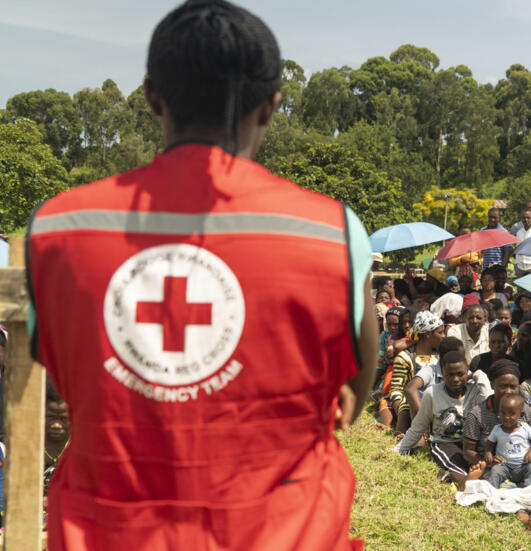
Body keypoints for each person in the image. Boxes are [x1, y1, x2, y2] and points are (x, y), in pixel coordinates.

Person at [26, 3, 378, 548]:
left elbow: (57, 368)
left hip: (109, 532)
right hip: (285, 532)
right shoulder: (331, 231)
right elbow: (354, 388)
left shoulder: (57, 228)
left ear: (151, 97)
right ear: (269, 107)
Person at [394, 351, 492, 489]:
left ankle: (478, 478)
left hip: (471, 442)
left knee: (483, 462)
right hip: (445, 443)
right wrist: (399, 449)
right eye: (450, 375)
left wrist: (479, 375)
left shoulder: (475, 391)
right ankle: (465, 483)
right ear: (442, 374)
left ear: (468, 372)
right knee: (456, 466)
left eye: (460, 374)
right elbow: (419, 425)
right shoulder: (433, 393)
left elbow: (489, 399)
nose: (455, 379)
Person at [461, 360, 531, 468]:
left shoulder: (527, 411)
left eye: (513, 387)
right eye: (503, 386)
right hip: (488, 468)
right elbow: (468, 452)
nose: (508, 391)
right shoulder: (477, 414)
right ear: (492, 385)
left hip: (522, 467)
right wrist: (488, 462)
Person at [390, 311, 445, 434]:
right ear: (427, 334)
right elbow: (396, 390)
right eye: (440, 332)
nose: (443, 336)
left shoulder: (441, 356)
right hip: (412, 407)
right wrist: (402, 413)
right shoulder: (405, 357)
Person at [482, 394, 531, 488]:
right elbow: (489, 444)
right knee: (495, 470)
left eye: (511, 413)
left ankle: (527, 489)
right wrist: (488, 453)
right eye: (503, 413)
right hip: (505, 466)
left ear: (521, 415)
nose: (506, 417)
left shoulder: (525, 428)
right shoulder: (497, 429)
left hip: (523, 465)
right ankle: (492, 490)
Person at [447, 297, 489, 364]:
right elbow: (455, 359)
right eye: (471, 317)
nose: (475, 321)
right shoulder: (455, 331)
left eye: (478, 318)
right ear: (464, 318)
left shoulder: (489, 332)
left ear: (484, 320)